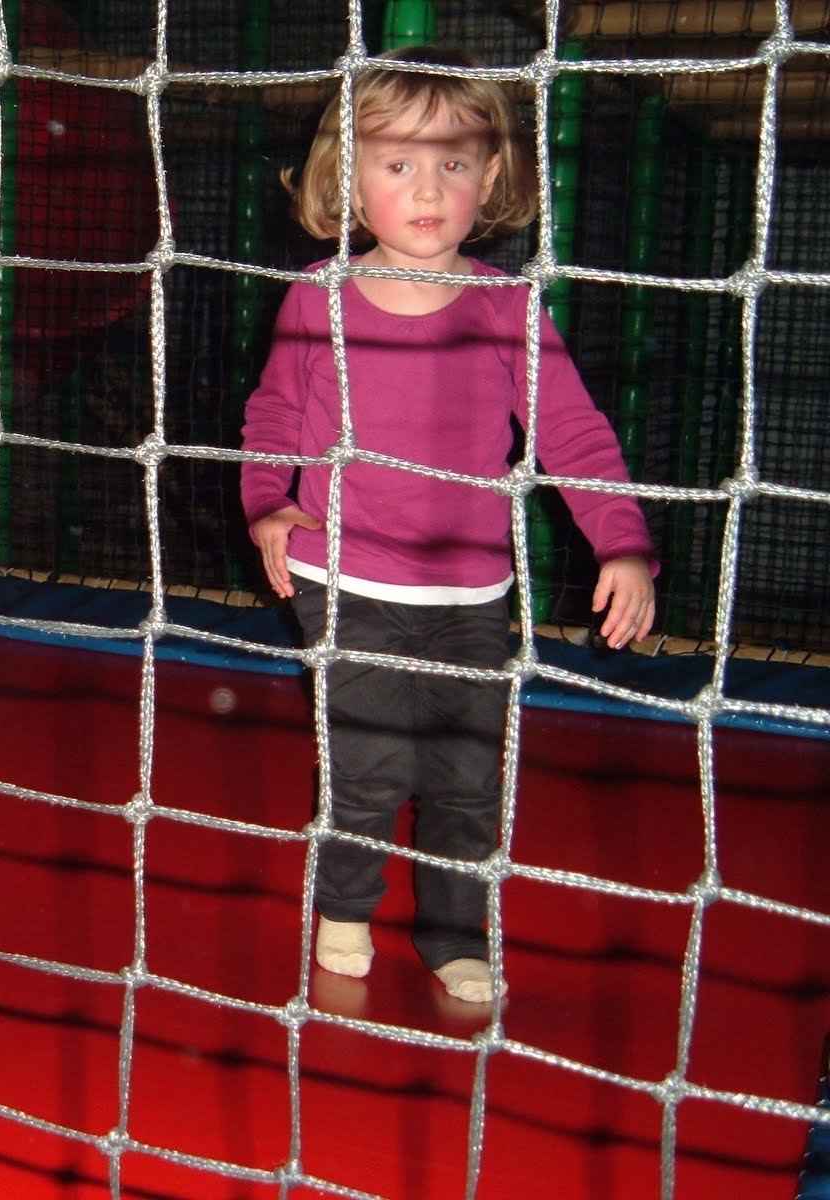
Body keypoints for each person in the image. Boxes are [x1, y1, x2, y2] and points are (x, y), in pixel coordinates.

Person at [240, 47, 657, 1003]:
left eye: (455, 163)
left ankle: (452, 928)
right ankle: (346, 908)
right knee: (372, 764)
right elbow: (273, 414)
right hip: (346, 575)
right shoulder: (322, 298)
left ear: (493, 178)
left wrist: (623, 541)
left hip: (472, 589)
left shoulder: (509, 307)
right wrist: (270, 500)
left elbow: (573, 431)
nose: (429, 187)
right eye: (398, 164)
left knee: (469, 778)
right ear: (349, 178)